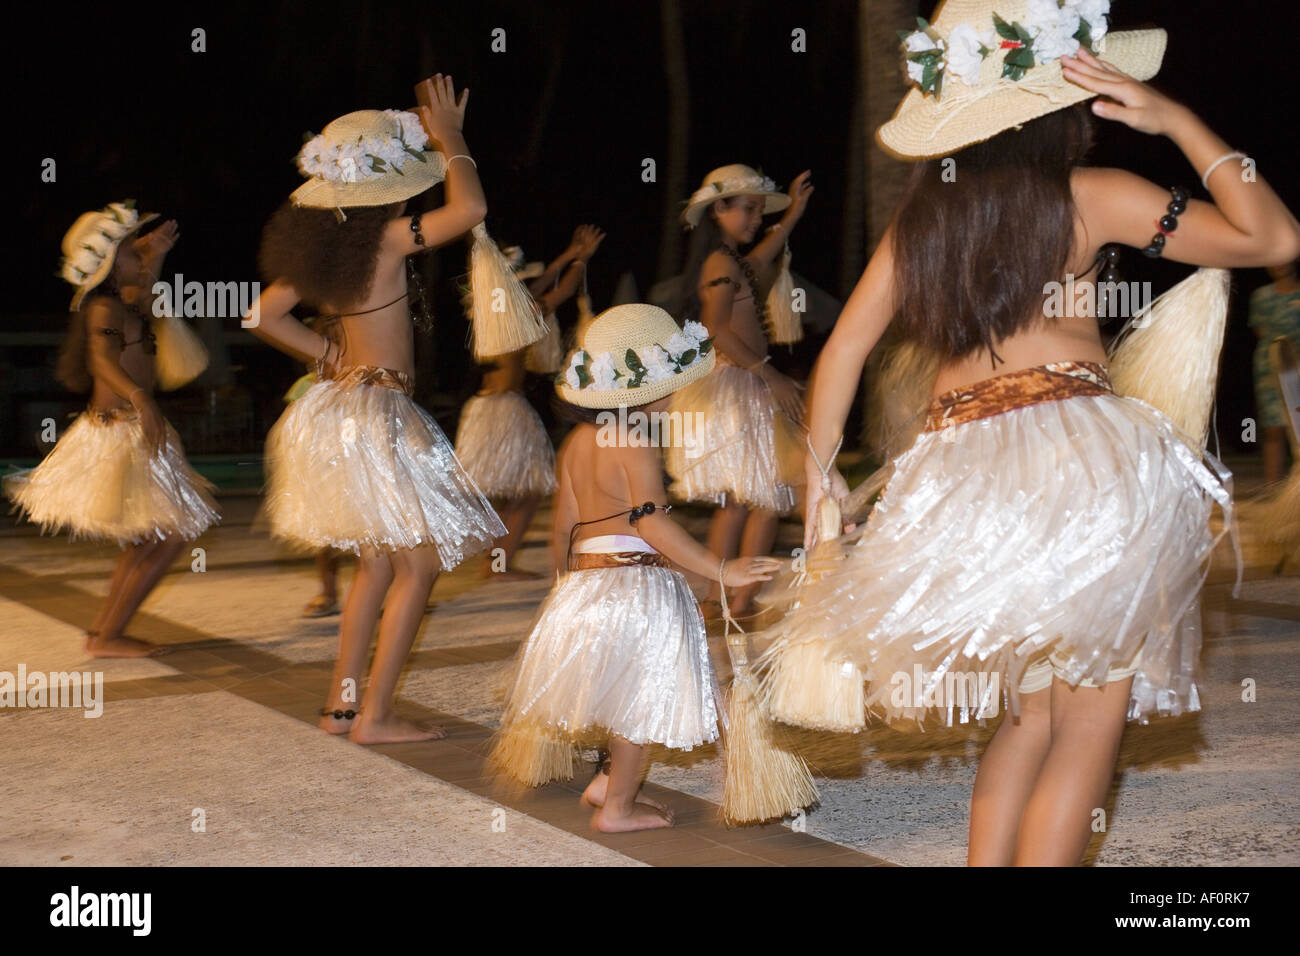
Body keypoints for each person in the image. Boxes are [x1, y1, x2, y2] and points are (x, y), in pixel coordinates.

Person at [756, 0, 1300, 866]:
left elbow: (844, 351)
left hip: (960, 478)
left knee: (1027, 716)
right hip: (1079, 468)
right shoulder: (1093, 196)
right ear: (1055, 105)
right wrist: (1176, 120)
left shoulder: (924, 221)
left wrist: (819, 487)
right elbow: (1271, 233)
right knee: (1086, 727)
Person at [250, 76, 506, 743]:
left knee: (377, 565)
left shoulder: (332, 254)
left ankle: (342, 707)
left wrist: (329, 359)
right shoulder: (391, 238)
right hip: (378, 417)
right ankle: (377, 716)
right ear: (384, 189)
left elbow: (260, 315)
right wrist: (451, 138)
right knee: (416, 566)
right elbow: (471, 208)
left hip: (339, 411)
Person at [492, 304, 778, 831]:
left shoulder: (577, 444)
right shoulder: (635, 442)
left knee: (622, 686)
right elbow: (651, 525)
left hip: (587, 582)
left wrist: (563, 587)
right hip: (634, 585)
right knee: (640, 700)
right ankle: (618, 808)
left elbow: (567, 528)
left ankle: (607, 783)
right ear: (653, 392)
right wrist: (721, 571)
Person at [5, 201, 219, 658]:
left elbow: (145, 288)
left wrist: (155, 252)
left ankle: (105, 633)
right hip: (118, 430)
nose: (135, 259)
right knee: (169, 535)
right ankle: (108, 634)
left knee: (153, 537)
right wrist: (142, 398)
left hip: (131, 431)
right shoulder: (102, 309)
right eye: (127, 252)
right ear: (107, 265)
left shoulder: (125, 303)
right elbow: (102, 361)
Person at [664, 164, 813, 618]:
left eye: (758, 211)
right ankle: (737, 597)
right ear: (718, 210)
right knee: (766, 500)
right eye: (747, 210)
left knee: (740, 503)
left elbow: (764, 256)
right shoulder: (720, 263)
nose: (755, 219)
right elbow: (714, 330)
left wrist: (792, 216)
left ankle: (720, 596)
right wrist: (769, 373)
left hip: (738, 385)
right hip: (739, 386)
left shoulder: (730, 262)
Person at [455, 225, 605, 579]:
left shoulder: (495, 312)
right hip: (504, 411)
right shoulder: (515, 316)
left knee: (519, 491)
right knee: (526, 489)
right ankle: (494, 563)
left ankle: (497, 563)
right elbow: (563, 290)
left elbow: (539, 287)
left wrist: (569, 254)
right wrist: (582, 261)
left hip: (486, 407)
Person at [1248, 259, 1300, 483]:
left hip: (1297, 363)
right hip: (1270, 365)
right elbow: (1259, 330)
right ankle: (1273, 489)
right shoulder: (1261, 296)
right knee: (1273, 427)